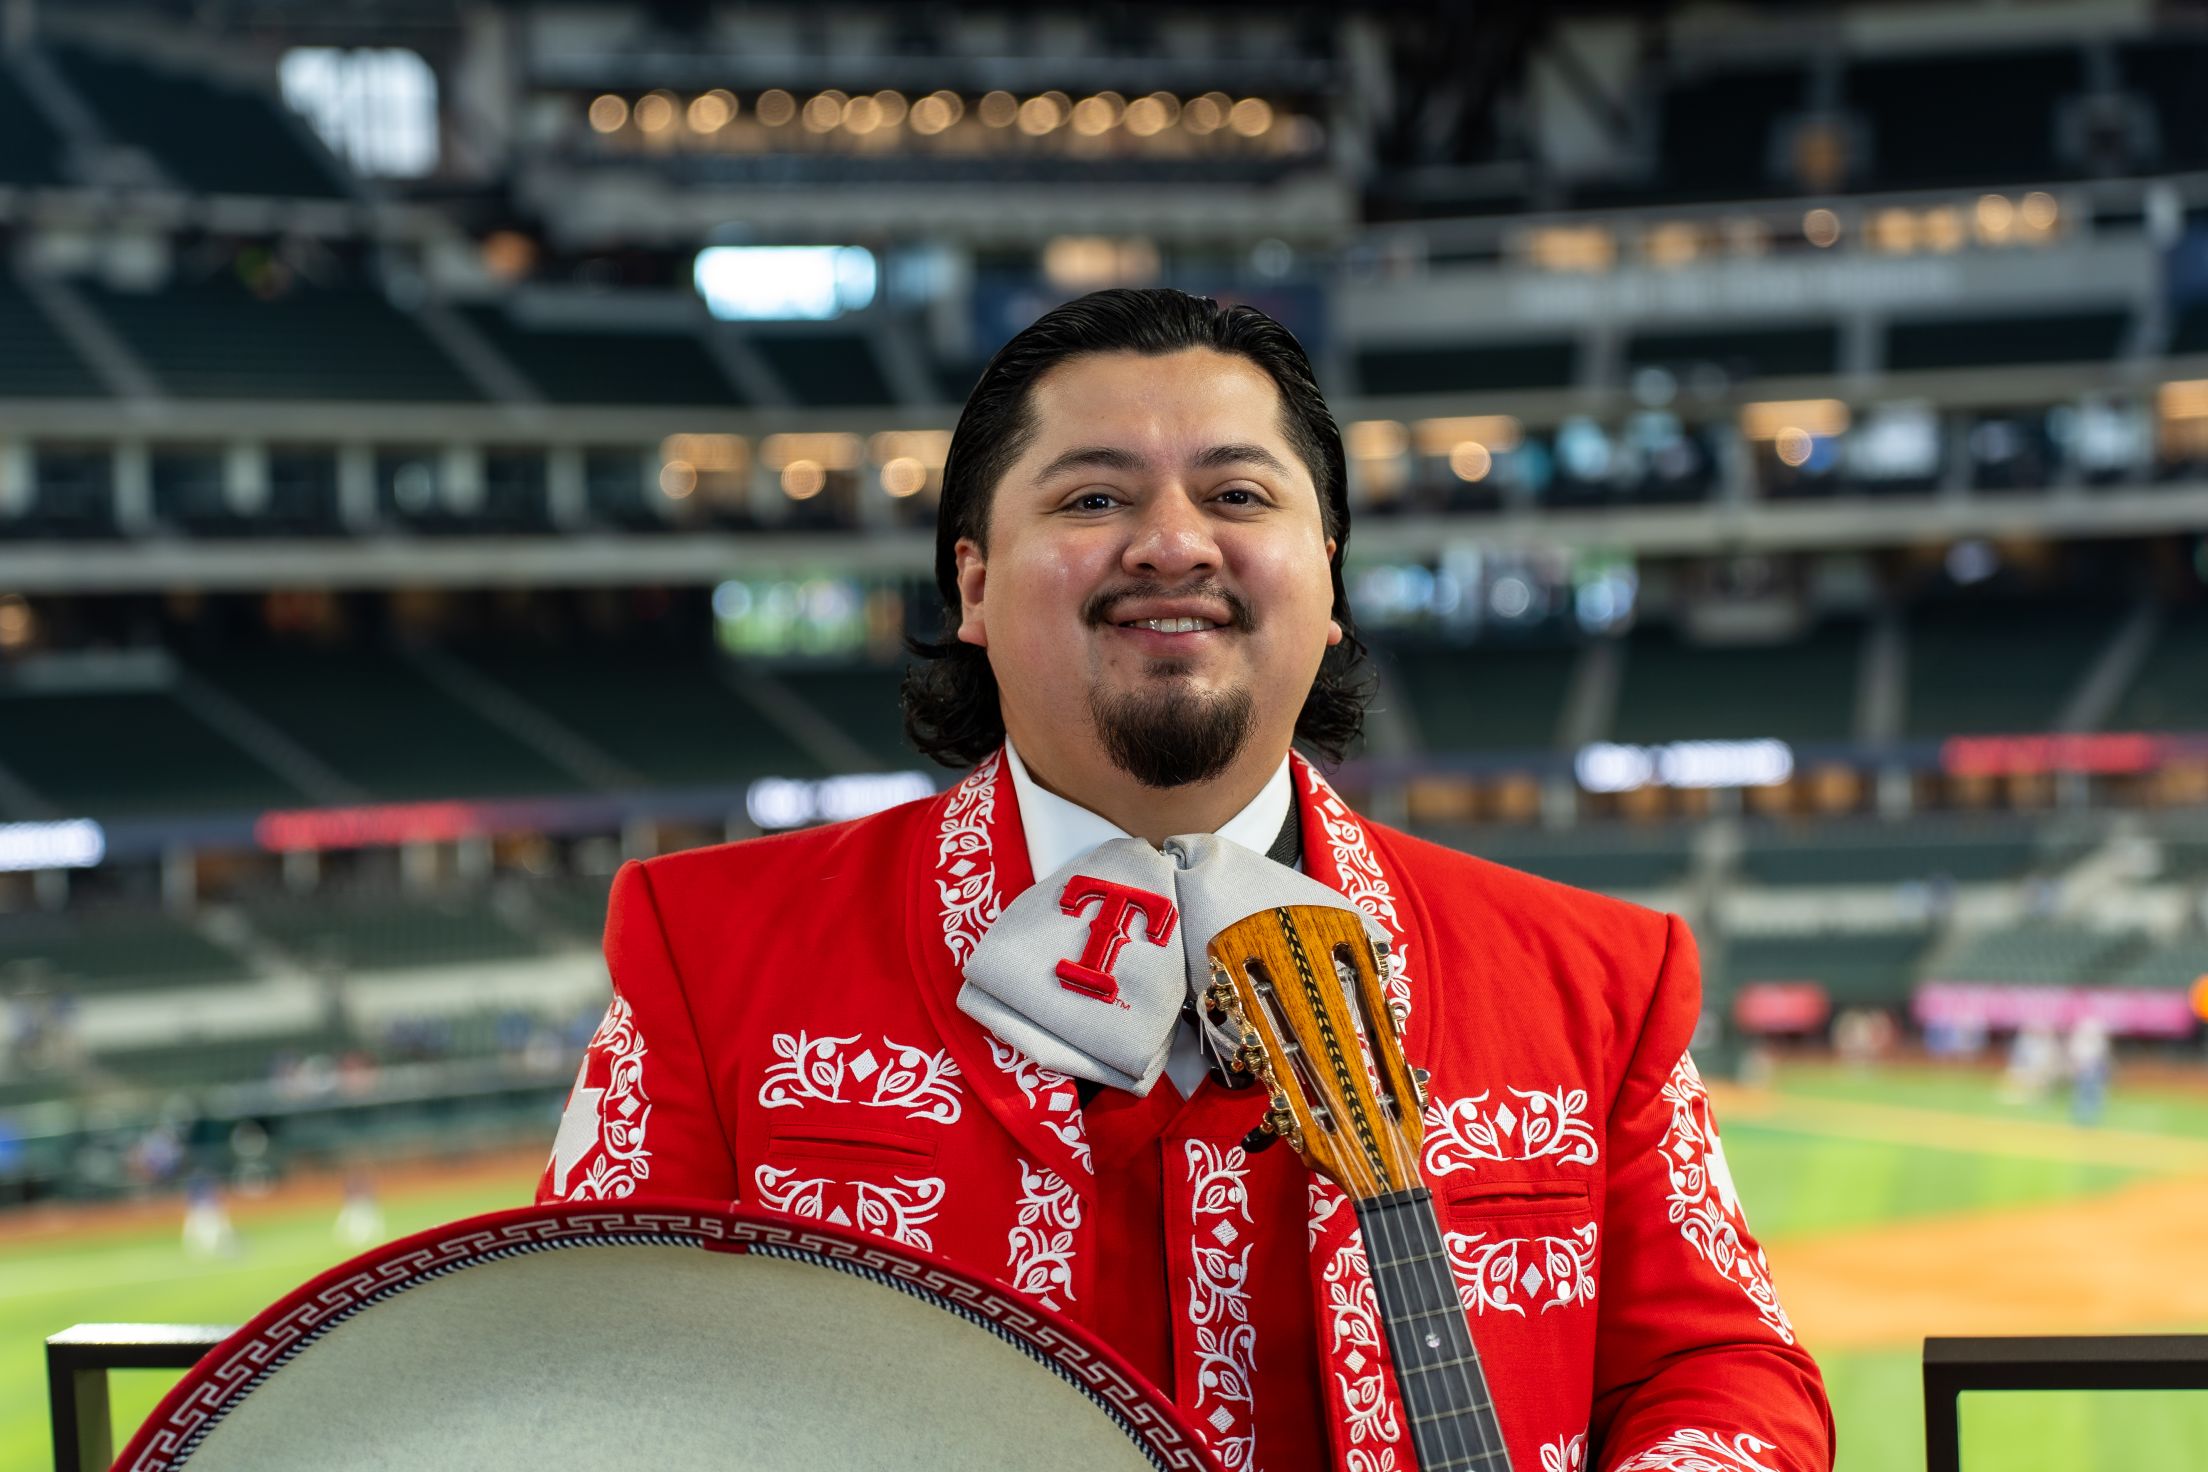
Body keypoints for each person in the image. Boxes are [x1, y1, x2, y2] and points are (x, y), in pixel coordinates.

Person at [538, 289, 1833, 1472]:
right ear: (973, 584)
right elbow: (584, 1380)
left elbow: (1723, 1374)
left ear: (1329, 581)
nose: (1171, 543)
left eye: (1239, 496)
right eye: (1092, 499)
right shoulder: (708, 955)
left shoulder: (1598, 982)